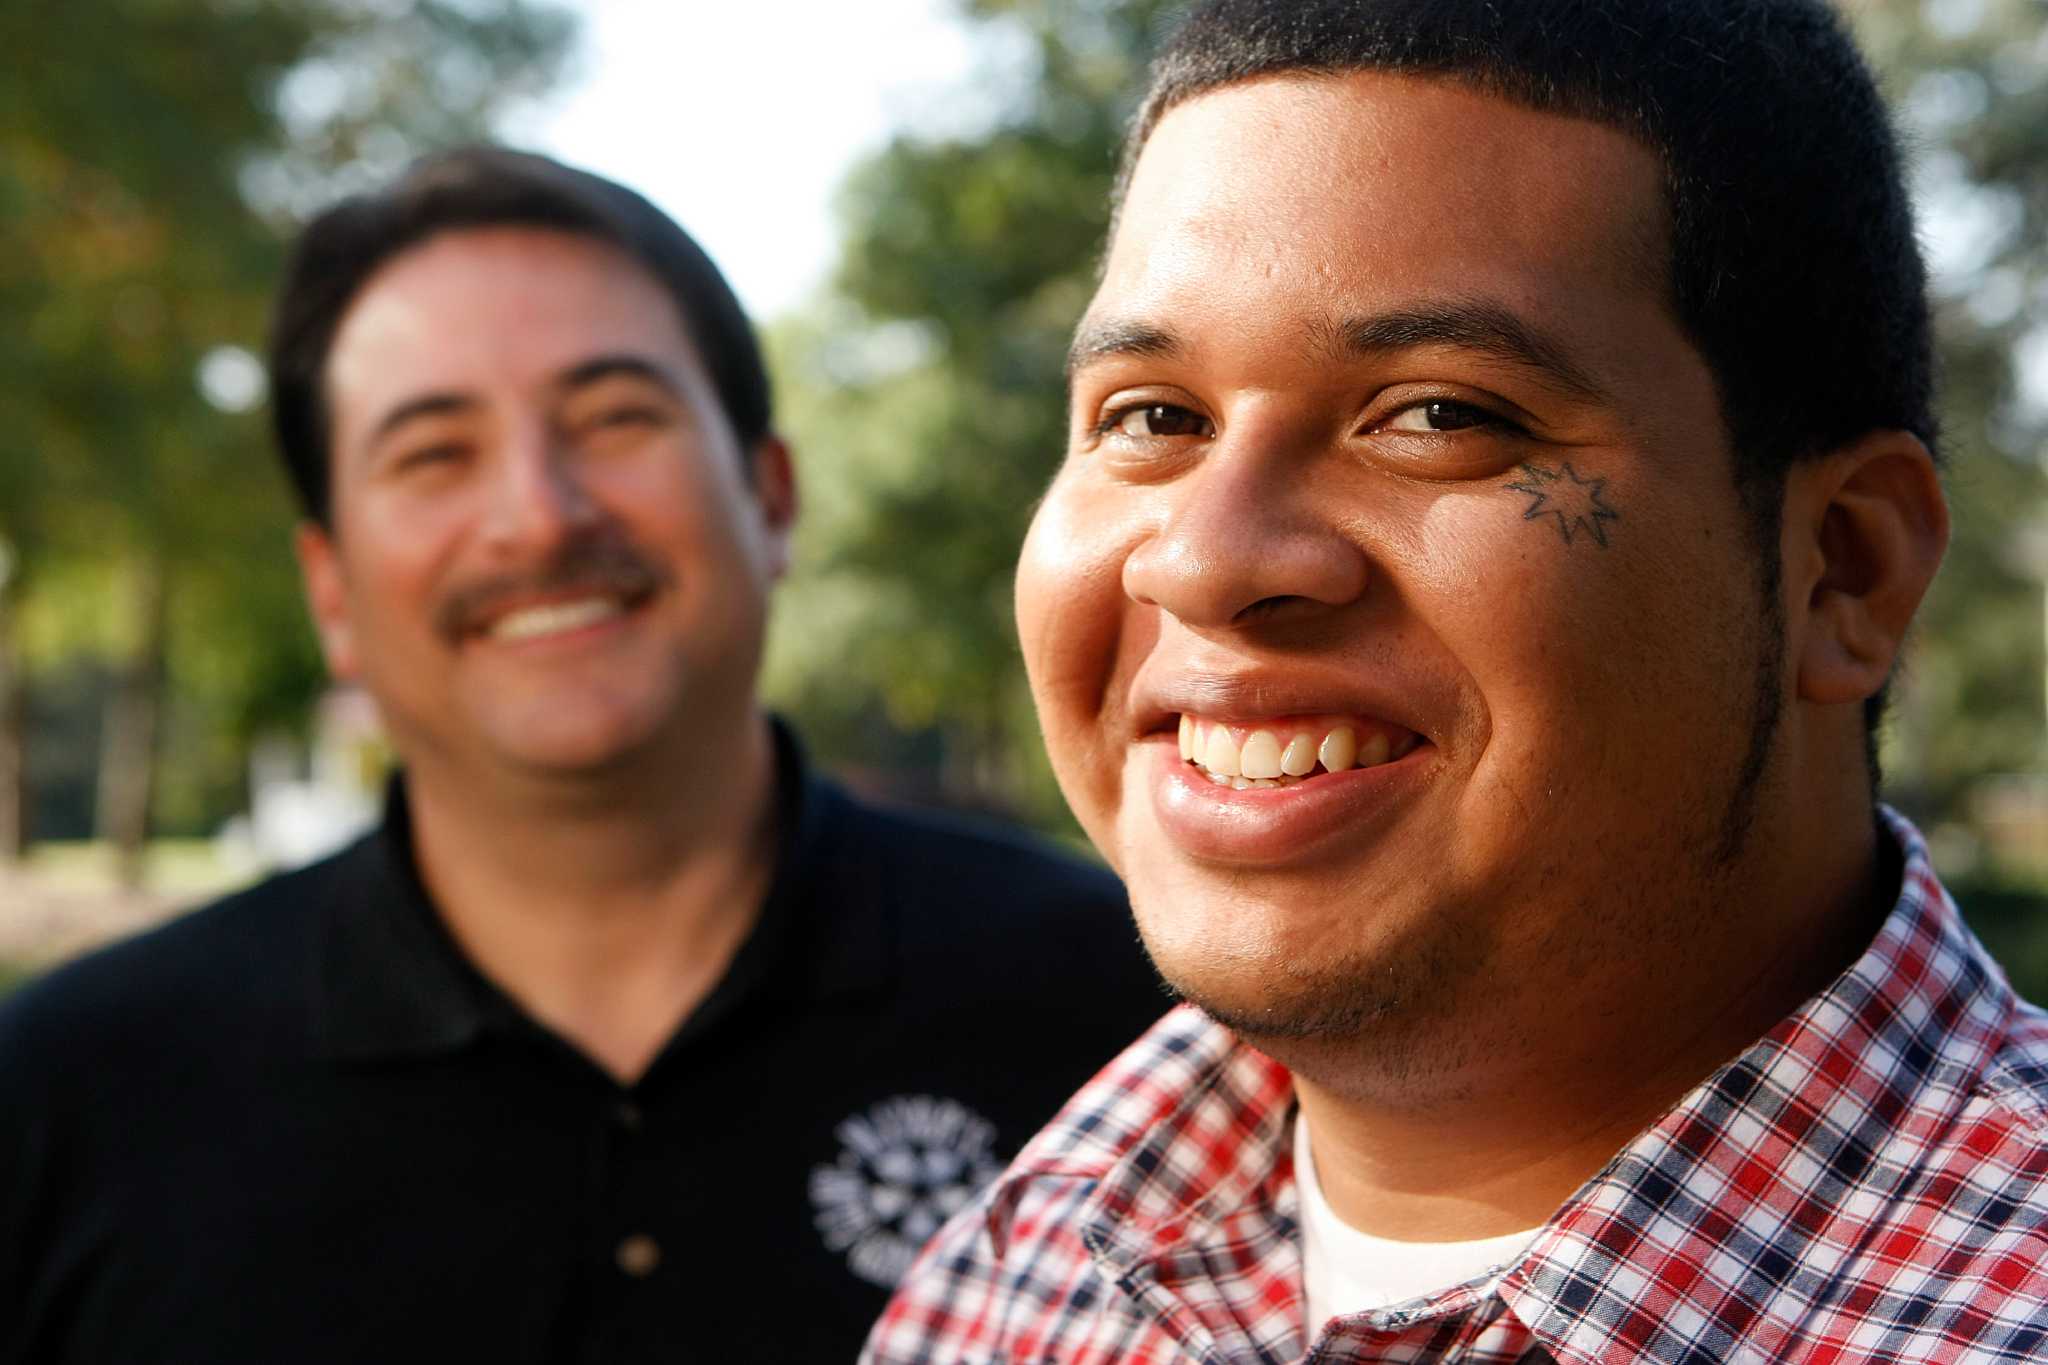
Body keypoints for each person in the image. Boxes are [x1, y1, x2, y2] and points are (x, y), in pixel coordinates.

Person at [864, 2, 2048, 1361]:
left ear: (1844, 570)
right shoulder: (1021, 1274)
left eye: (1439, 415)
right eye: (1152, 417)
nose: (1204, 559)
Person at [0, 147, 1162, 1364]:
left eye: (615, 419)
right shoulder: (70, 1098)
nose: (541, 516)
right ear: (330, 588)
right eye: (432, 452)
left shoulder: (1133, 1020)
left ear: (769, 497)